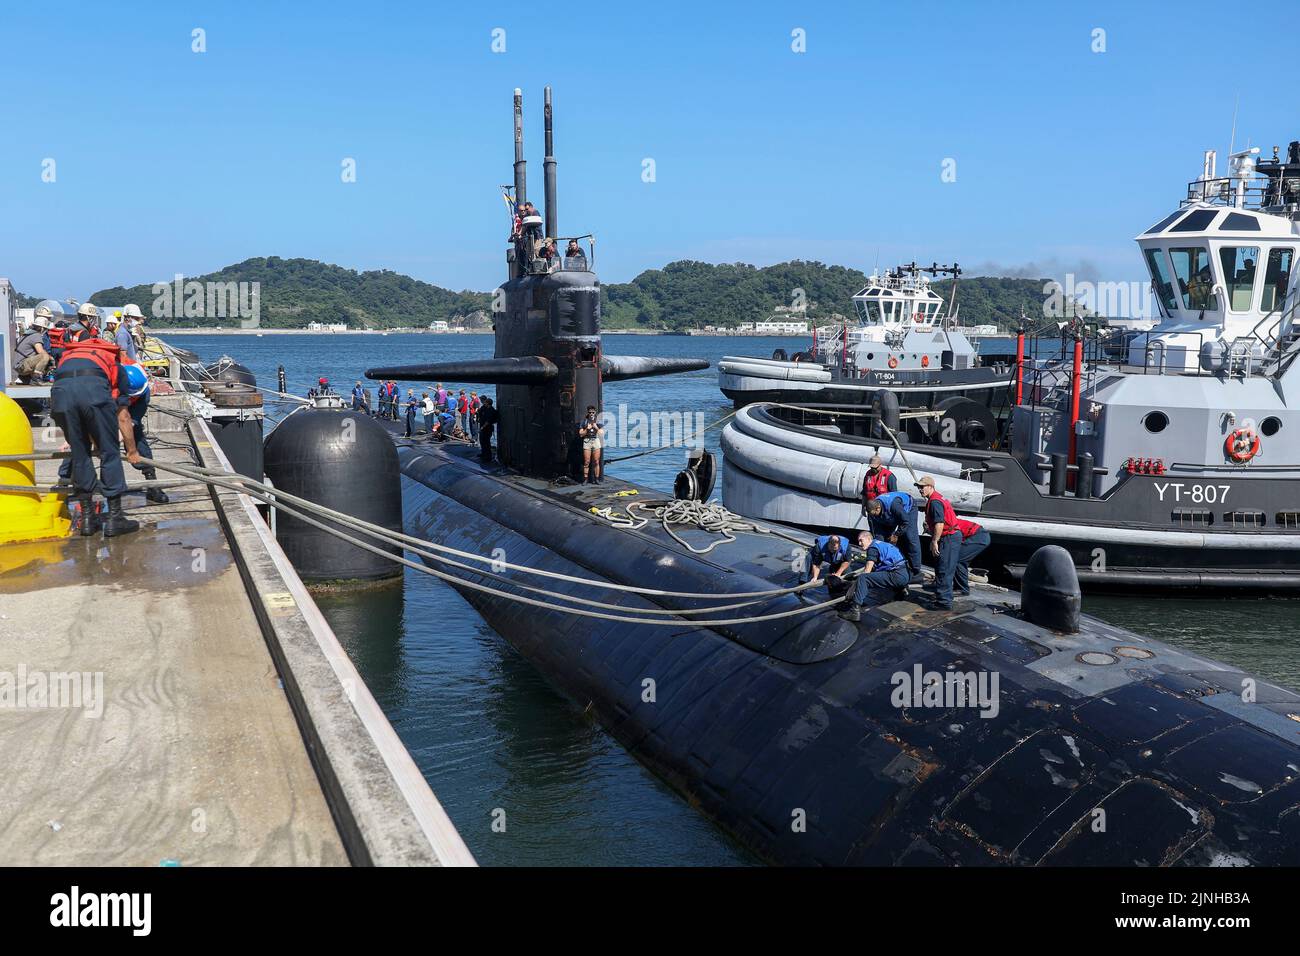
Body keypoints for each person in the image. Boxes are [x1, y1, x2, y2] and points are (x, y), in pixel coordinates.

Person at [50, 331, 142, 537]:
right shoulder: (114, 364)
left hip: (60, 397)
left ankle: (88, 520)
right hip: (93, 394)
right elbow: (123, 416)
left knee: (80, 454)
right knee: (109, 452)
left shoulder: (69, 358)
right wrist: (132, 450)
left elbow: (74, 398)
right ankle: (114, 519)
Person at [916, 475, 988, 610]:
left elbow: (939, 523)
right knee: (946, 565)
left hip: (949, 537)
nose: (920, 490)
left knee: (945, 568)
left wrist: (934, 541)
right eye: (919, 487)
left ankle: (944, 602)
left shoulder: (935, 502)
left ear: (931, 487)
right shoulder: (937, 498)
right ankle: (949, 593)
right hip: (952, 536)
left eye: (922, 487)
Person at [121, 361, 169, 504]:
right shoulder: (107, 383)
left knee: (137, 438)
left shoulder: (143, 391)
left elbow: (131, 421)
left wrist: (128, 444)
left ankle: (152, 484)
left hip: (127, 409)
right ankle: (65, 485)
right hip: (106, 404)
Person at [839, 530, 910, 622]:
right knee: (877, 573)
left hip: (897, 575)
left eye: (861, 540)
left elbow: (866, 572)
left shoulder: (872, 549)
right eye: (858, 541)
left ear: (869, 539)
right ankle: (902, 590)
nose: (859, 543)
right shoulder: (881, 544)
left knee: (863, 578)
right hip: (905, 574)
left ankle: (854, 611)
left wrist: (852, 588)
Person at [866, 490, 923, 580]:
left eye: (874, 514)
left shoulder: (894, 505)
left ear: (878, 508)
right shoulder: (872, 513)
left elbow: (905, 521)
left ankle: (916, 570)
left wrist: (896, 534)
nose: (874, 516)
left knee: (910, 538)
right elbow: (877, 534)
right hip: (889, 515)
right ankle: (883, 566)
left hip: (907, 510)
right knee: (881, 540)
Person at [14, 314, 54, 383]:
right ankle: (36, 377)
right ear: (41, 328)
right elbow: (40, 351)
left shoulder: (28, 334)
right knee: (45, 356)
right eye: (45, 329)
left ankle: (25, 378)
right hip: (22, 366)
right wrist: (52, 359)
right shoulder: (36, 336)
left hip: (19, 365)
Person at [579, 405, 604, 483]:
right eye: (590, 412)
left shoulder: (598, 421)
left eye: (593, 412)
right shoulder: (584, 422)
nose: (591, 414)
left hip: (596, 441)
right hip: (587, 441)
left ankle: (596, 479)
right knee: (586, 461)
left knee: (596, 461)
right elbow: (580, 434)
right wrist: (587, 429)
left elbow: (602, 434)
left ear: (595, 412)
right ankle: (585, 479)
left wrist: (596, 427)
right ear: (588, 413)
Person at [477, 396, 499, 462]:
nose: (484, 403)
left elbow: (488, 421)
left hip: (487, 428)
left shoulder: (491, 410)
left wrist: (482, 427)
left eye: (485, 402)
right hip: (483, 428)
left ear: (488, 403)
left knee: (486, 442)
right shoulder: (485, 408)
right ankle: (483, 453)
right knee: (482, 441)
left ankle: (488, 457)